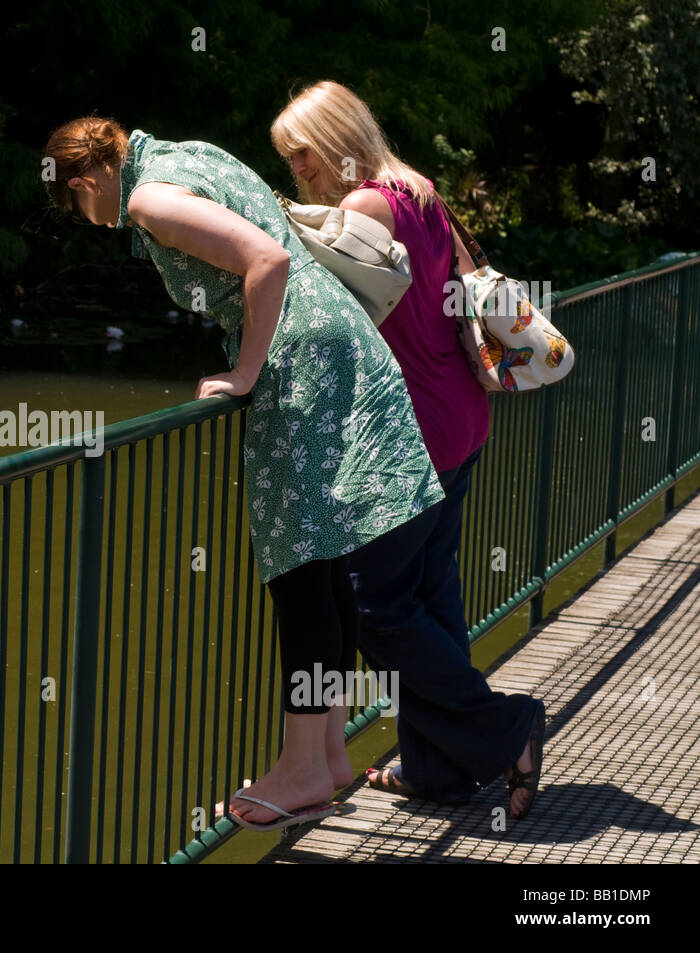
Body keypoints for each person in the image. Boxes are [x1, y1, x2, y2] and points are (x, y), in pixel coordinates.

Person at [42, 116, 446, 831]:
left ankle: (300, 769)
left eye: (81, 206)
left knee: (297, 571)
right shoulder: (184, 149)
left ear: (84, 181)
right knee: (321, 562)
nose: (94, 221)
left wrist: (245, 370)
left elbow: (268, 260)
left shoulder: (146, 197)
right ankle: (326, 755)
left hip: (299, 359)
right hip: (333, 336)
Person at [270, 81, 545, 819]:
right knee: (430, 596)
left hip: (409, 435)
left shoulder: (363, 208)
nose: (297, 169)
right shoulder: (420, 189)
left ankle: (505, 730)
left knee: (375, 607)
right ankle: (440, 770)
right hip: (461, 416)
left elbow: (324, 319)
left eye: (300, 154)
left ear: (333, 142)